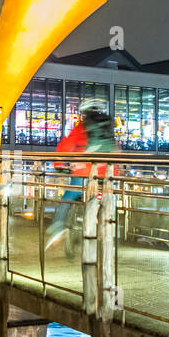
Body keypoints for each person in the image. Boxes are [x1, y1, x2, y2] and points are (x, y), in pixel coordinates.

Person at [46, 98, 116, 250]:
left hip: (85, 172)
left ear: (84, 113)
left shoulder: (82, 127)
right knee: (108, 197)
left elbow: (66, 146)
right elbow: (116, 150)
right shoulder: (108, 128)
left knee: (67, 198)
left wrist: (58, 165)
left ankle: (59, 229)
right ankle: (109, 230)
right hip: (106, 173)